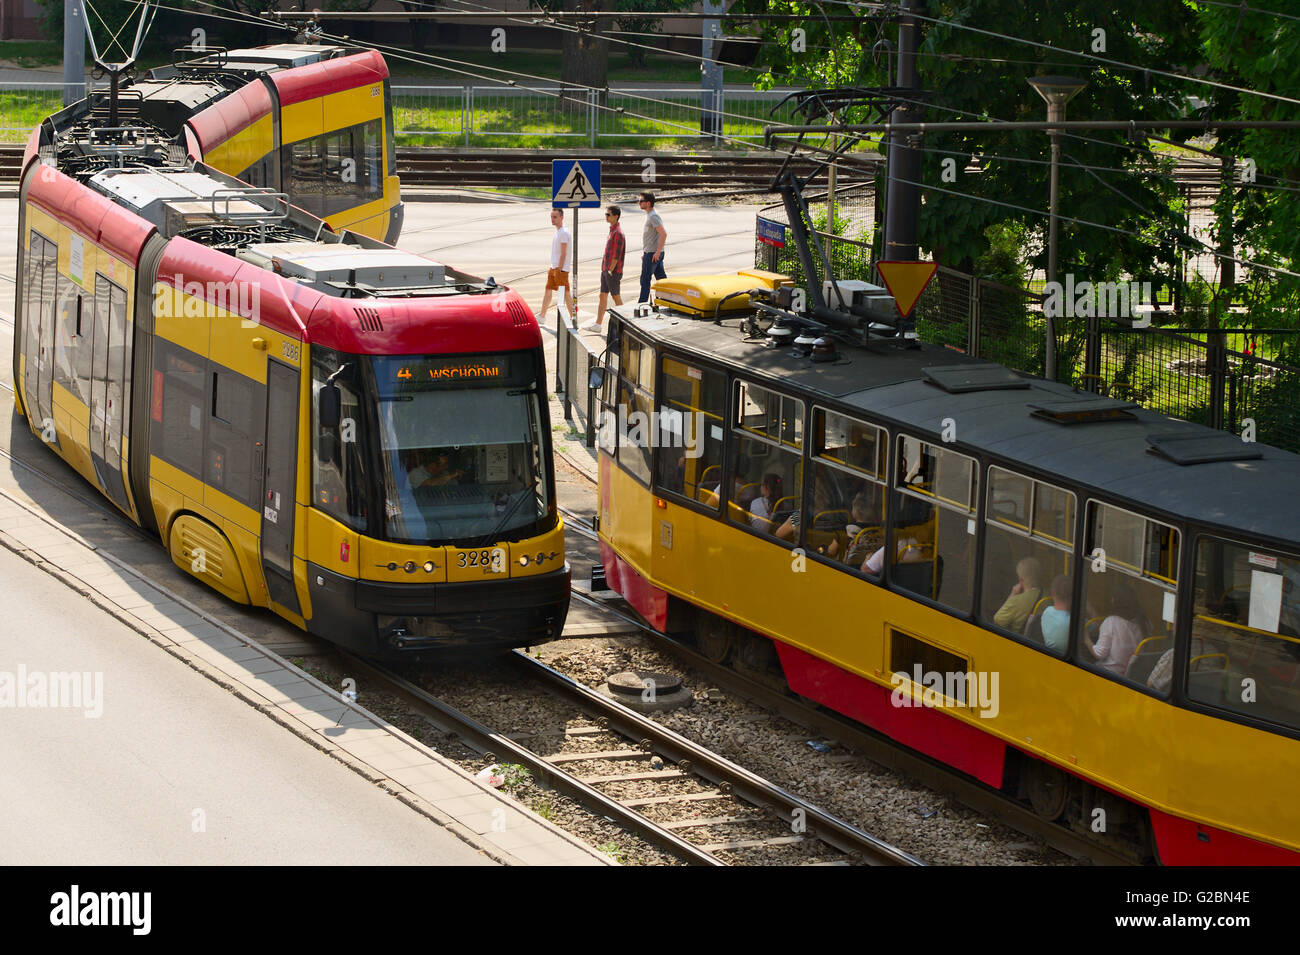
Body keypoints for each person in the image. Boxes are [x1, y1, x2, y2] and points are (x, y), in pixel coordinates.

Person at [1084, 581, 1145, 677]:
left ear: (1113, 600)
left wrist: (1086, 639)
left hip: (1109, 673)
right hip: (1132, 675)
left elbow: (1099, 654)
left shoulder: (1111, 622)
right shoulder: (1144, 622)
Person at [583, 205, 625, 331]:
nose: (606, 217)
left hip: (612, 271)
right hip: (606, 269)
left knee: (616, 297)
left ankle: (626, 325)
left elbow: (616, 255)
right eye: (606, 214)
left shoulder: (618, 233)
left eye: (608, 214)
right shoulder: (612, 230)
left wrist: (610, 270)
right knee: (602, 295)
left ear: (616, 216)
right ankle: (598, 324)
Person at [538, 208, 575, 322]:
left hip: (560, 269)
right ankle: (542, 316)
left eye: (555, 217)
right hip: (554, 267)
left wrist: (559, 268)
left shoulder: (563, 233)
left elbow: (564, 253)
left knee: (566, 294)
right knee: (548, 289)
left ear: (561, 218)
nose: (552, 219)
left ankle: (573, 317)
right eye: (551, 217)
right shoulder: (559, 232)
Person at [994, 557, 1044, 634]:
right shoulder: (1047, 596)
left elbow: (997, 621)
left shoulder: (1016, 601)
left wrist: (1012, 594)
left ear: (1021, 580)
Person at [637, 192, 667, 303]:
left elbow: (663, 234)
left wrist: (657, 252)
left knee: (645, 280)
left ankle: (642, 304)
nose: (639, 203)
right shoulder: (650, 215)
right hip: (651, 252)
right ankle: (669, 299)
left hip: (653, 254)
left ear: (648, 203)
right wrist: (645, 252)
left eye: (641, 201)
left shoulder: (653, 216)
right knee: (662, 280)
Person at [1039, 573, 1072, 653]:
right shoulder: (1074, 621)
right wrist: (1088, 606)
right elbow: (1098, 626)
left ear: (1053, 593)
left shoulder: (1046, 612)